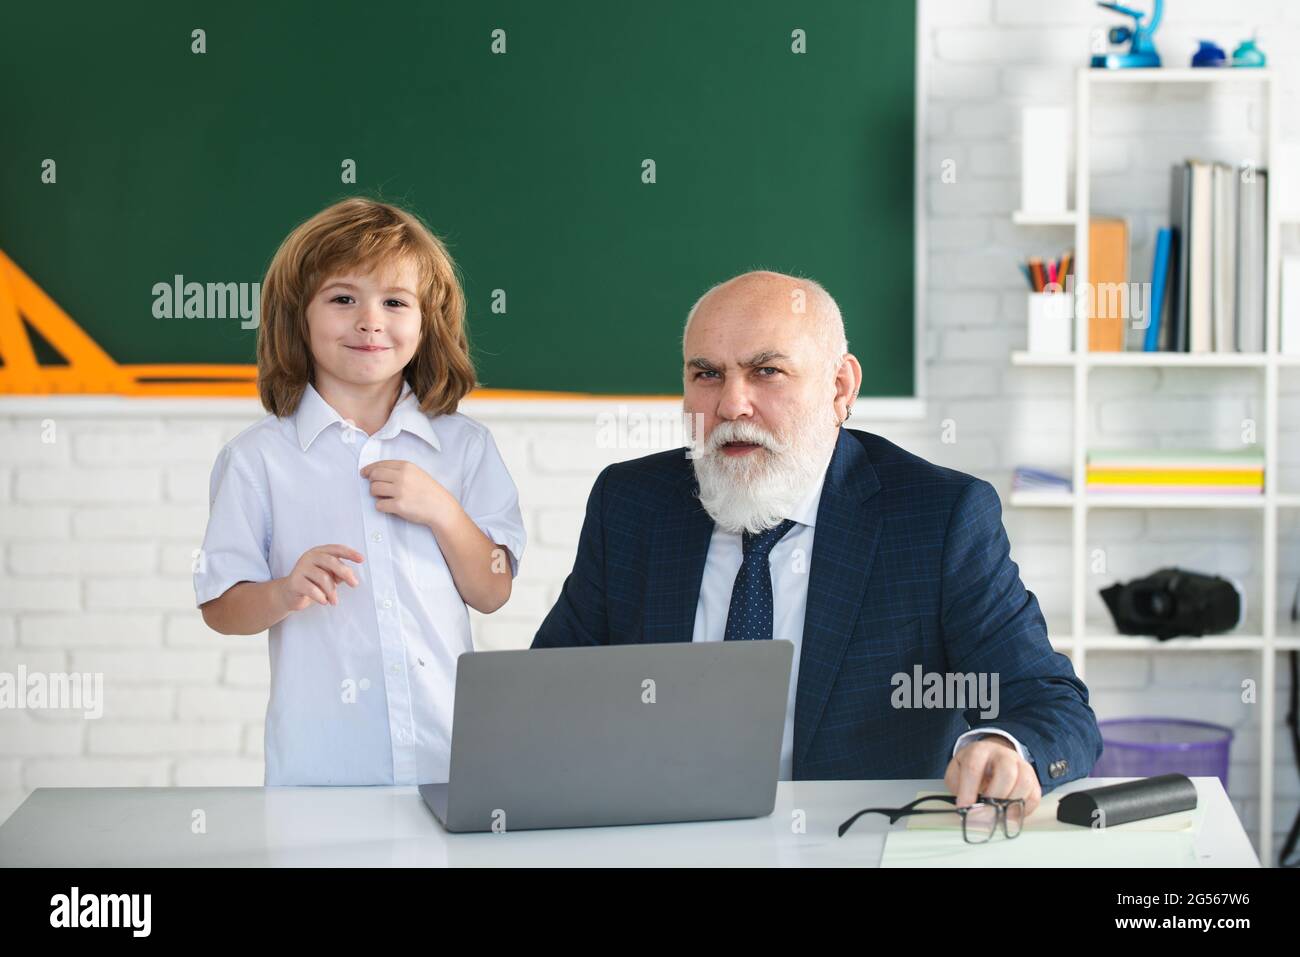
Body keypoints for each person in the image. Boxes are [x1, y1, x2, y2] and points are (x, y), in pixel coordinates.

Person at [533, 270, 1101, 815]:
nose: (731, 406)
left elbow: (1051, 704)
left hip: (854, 846)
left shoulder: (938, 517)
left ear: (839, 387)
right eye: (707, 375)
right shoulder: (631, 503)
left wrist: (1008, 750)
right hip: (665, 839)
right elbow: (549, 693)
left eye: (766, 372)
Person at [195, 198, 525, 786]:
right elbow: (221, 607)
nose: (370, 321)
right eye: (343, 298)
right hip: (321, 771)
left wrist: (443, 512)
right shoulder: (258, 460)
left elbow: (493, 589)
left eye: (395, 302)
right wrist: (284, 591)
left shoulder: (464, 448)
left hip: (447, 761)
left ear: (428, 323)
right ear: (298, 315)